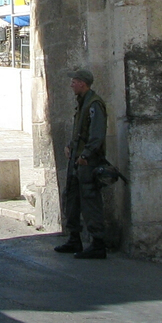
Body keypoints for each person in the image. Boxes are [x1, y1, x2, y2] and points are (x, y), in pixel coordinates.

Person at [55, 67, 109, 259]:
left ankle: (98, 243)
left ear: (82, 83)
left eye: (74, 81)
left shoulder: (94, 104)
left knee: (89, 200)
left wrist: (85, 155)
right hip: (77, 160)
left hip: (87, 162)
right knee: (72, 197)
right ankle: (74, 238)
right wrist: (71, 146)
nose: (71, 84)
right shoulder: (82, 103)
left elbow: (96, 135)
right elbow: (81, 131)